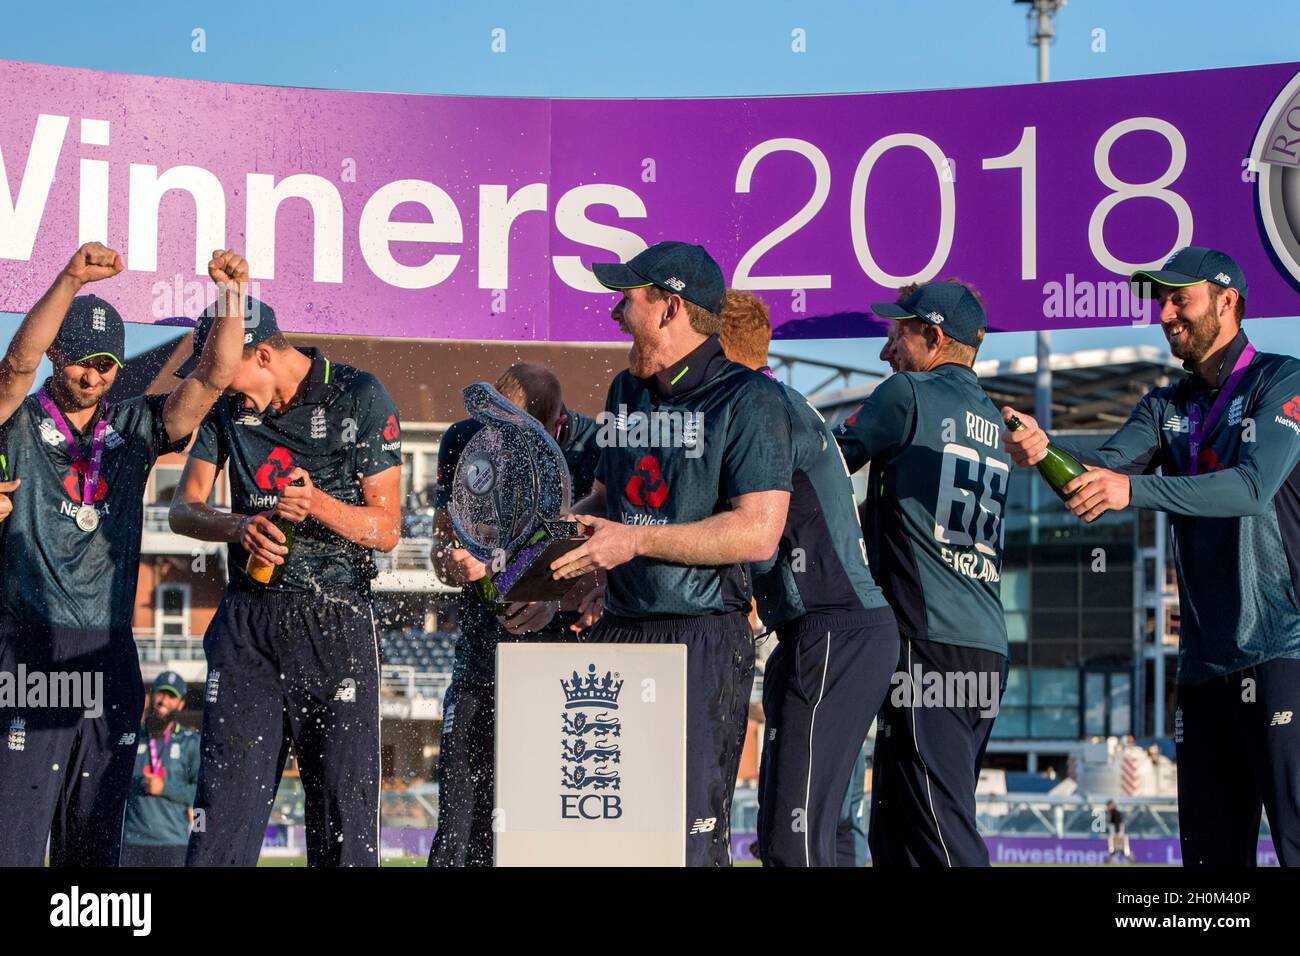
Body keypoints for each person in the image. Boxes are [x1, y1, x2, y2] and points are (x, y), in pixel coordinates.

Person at [1002, 246, 1300, 867]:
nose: (1164, 313)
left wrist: (1130, 490)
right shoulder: (1163, 406)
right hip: (1202, 671)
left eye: (1178, 298)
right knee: (1209, 874)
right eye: (1159, 300)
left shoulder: (1284, 380)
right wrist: (1043, 450)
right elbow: (1095, 478)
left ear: (1228, 302)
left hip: (1284, 654)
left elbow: (1251, 489)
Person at [0, 243, 245, 866]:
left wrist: (232, 299)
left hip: (111, 652)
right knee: (17, 844)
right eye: (83, 362)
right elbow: (15, 367)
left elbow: (213, 379)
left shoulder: (135, 427)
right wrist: (69, 279)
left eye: (107, 366)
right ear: (61, 355)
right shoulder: (19, 423)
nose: (94, 376)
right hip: (31, 647)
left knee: (96, 850)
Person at [549, 241, 793, 867]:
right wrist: (567, 557)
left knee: (686, 837)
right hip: (619, 630)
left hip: (702, 638)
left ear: (668, 308)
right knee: (604, 839)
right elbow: (610, 496)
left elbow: (757, 532)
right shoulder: (625, 390)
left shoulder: (751, 399)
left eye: (625, 300)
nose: (613, 315)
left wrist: (634, 539)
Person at [169, 298, 403, 867]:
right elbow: (184, 508)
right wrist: (238, 525)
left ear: (265, 354)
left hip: (335, 621)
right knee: (221, 817)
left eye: (227, 375)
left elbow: (388, 528)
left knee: (344, 821)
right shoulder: (226, 409)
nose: (221, 389)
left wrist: (319, 504)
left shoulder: (360, 394)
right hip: (248, 621)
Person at [717, 289, 899, 867]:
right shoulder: (781, 401)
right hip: (829, 630)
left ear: (717, 350)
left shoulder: (763, 408)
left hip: (832, 630)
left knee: (793, 840)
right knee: (813, 831)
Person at [834, 279, 1011, 867]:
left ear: (934, 337)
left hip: (928, 643)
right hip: (984, 645)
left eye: (897, 336)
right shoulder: (989, 415)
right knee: (899, 825)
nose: (887, 353)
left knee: (939, 831)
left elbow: (826, 464)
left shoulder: (907, 393)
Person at [428, 362, 602, 867]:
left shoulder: (595, 446)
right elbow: (441, 545)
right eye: (498, 435)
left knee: (548, 819)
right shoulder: (465, 439)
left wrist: (559, 597)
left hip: (564, 659)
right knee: (460, 821)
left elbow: (610, 556)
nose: (504, 447)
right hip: (483, 651)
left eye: (521, 438)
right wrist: (454, 565)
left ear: (554, 426)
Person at [120, 672, 201, 867]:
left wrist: (165, 788)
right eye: (161, 693)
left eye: (171, 696)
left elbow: (201, 793)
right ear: (151, 695)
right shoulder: (129, 738)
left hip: (173, 844)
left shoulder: (190, 742)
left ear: (180, 704)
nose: (164, 700)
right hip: (131, 843)